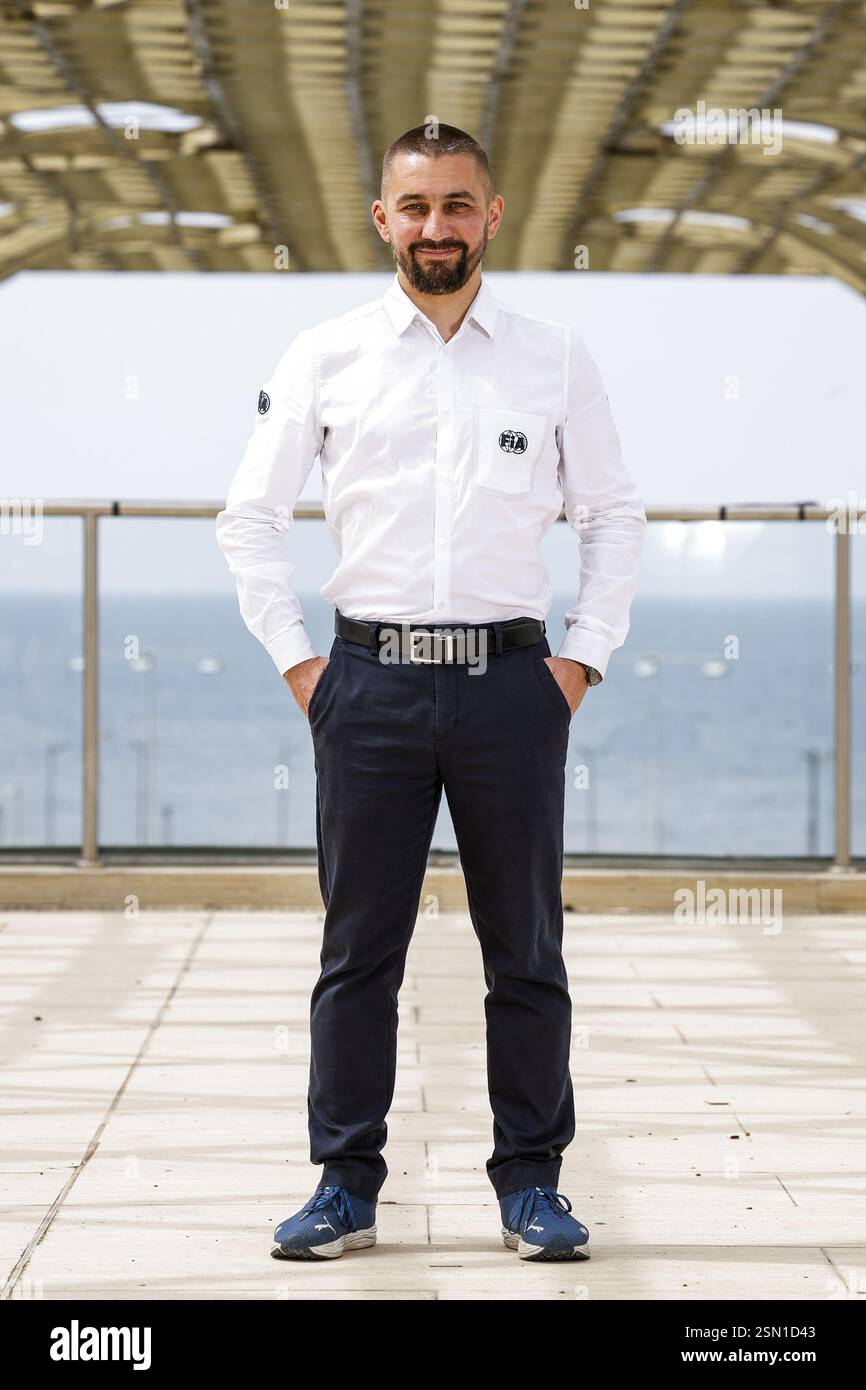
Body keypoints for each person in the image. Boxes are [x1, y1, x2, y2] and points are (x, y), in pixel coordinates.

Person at [215, 123, 647, 1263]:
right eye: (415, 208)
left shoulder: (553, 355)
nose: (436, 227)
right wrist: (302, 667)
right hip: (365, 687)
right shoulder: (326, 353)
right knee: (359, 949)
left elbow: (609, 517)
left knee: (527, 948)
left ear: (492, 216)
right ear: (382, 220)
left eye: (458, 205)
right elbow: (248, 516)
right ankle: (344, 1184)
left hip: (513, 687)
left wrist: (577, 663)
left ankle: (531, 1187)